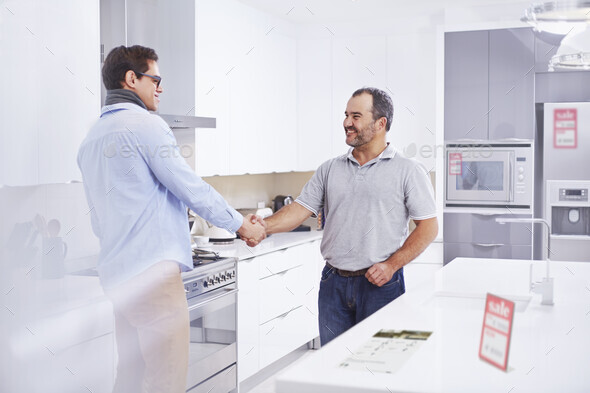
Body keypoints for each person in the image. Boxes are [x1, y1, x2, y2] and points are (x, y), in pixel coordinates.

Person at [77, 45, 265, 393]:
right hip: (152, 278)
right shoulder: (147, 125)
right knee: (167, 379)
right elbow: (189, 187)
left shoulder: (90, 140)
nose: (160, 88)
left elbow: (98, 223)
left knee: (130, 379)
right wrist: (240, 224)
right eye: (155, 79)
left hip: (118, 278)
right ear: (131, 79)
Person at [259, 87, 438, 345]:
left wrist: (391, 265)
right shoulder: (330, 168)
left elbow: (428, 227)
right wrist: (262, 227)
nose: (346, 123)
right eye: (346, 115)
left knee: (378, 365)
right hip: (333, 284)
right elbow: (299, 209)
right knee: (333, 368)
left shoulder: (408, 170)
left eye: (356, 116)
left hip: (381, 285)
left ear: (380, 123)